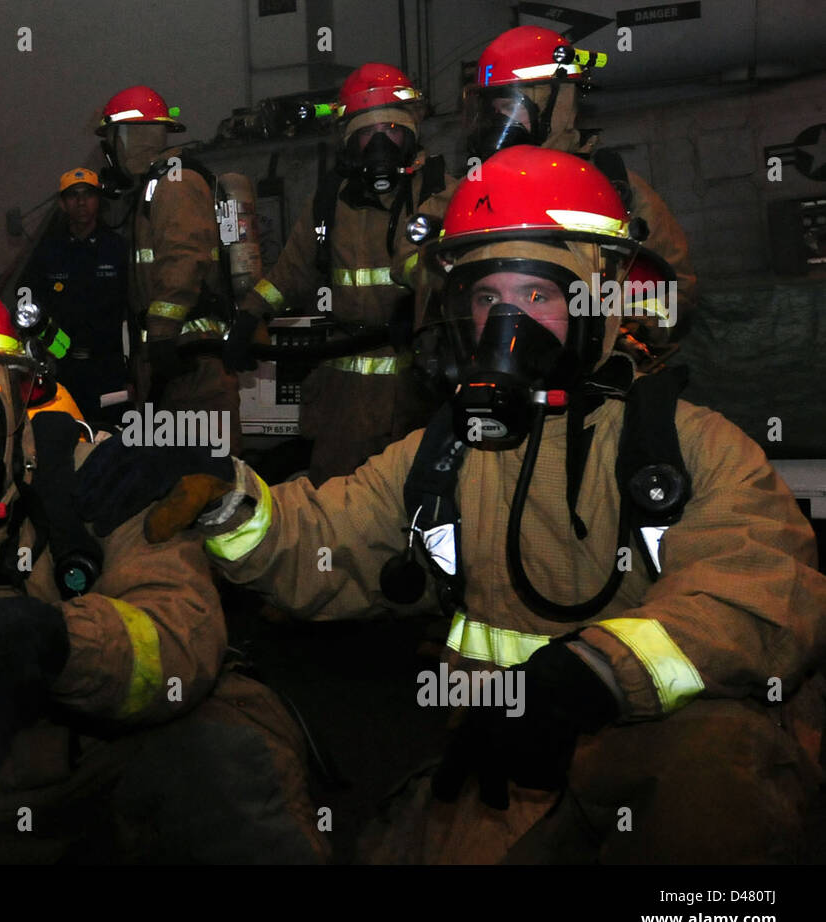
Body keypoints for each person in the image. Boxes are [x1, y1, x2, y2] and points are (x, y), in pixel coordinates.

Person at [76, 147, 826, 864]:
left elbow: (757, 591)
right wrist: (231, 501)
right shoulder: (446, 450)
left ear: (600, 302)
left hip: (644, 750)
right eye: (486, 299)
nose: (506, 327)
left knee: (716, 765)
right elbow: (327, 539)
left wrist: (595, 676)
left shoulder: (688, 446)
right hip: (499, 757)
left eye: (537, 295)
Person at [0, 266, 325, 863]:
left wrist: (57, 642)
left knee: (223, 765)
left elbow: (179, 644)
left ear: (9, 410)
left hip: (122, 747)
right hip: (5, 765)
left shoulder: (97, 485)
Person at [235, 64, 449, 484]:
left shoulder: (441, 193)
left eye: (392, 129)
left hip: (415, 391)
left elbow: (445, 272)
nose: (381, 144)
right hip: (343, 402)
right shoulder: (330, 202)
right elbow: (290, 272)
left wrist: (422, 299)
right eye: (368, 134)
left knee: (413, 496)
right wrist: (249, 315)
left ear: (412, 134)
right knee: (335, 501)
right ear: (349, 142)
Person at [434, 25, 697, 332]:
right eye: (493, 111)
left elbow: (675, 290)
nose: (499, 124)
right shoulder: (469, 190)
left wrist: (629, 337)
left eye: (509, 107)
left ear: (556, 105)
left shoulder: (613, 188)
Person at [97, 85, 244, 455]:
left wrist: (161, 335)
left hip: (192, 363)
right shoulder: (157, 184)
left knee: (208, 474)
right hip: (175, 364)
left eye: (113, 139)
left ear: (126, 138)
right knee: (173, 476)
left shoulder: (175, 183)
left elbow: (184, 258)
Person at [25, 167, 130, 427]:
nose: (81, 202)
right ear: (62, 203)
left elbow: (133, 307)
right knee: (65, 437)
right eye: (73, 195)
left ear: (99, 201)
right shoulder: (48, 252)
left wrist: (134, 374)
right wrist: (51, 351)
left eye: (88, 195)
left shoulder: (117, 249)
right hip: (63, 368)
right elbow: (29, 308)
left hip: (109, 368)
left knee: (111, 438)